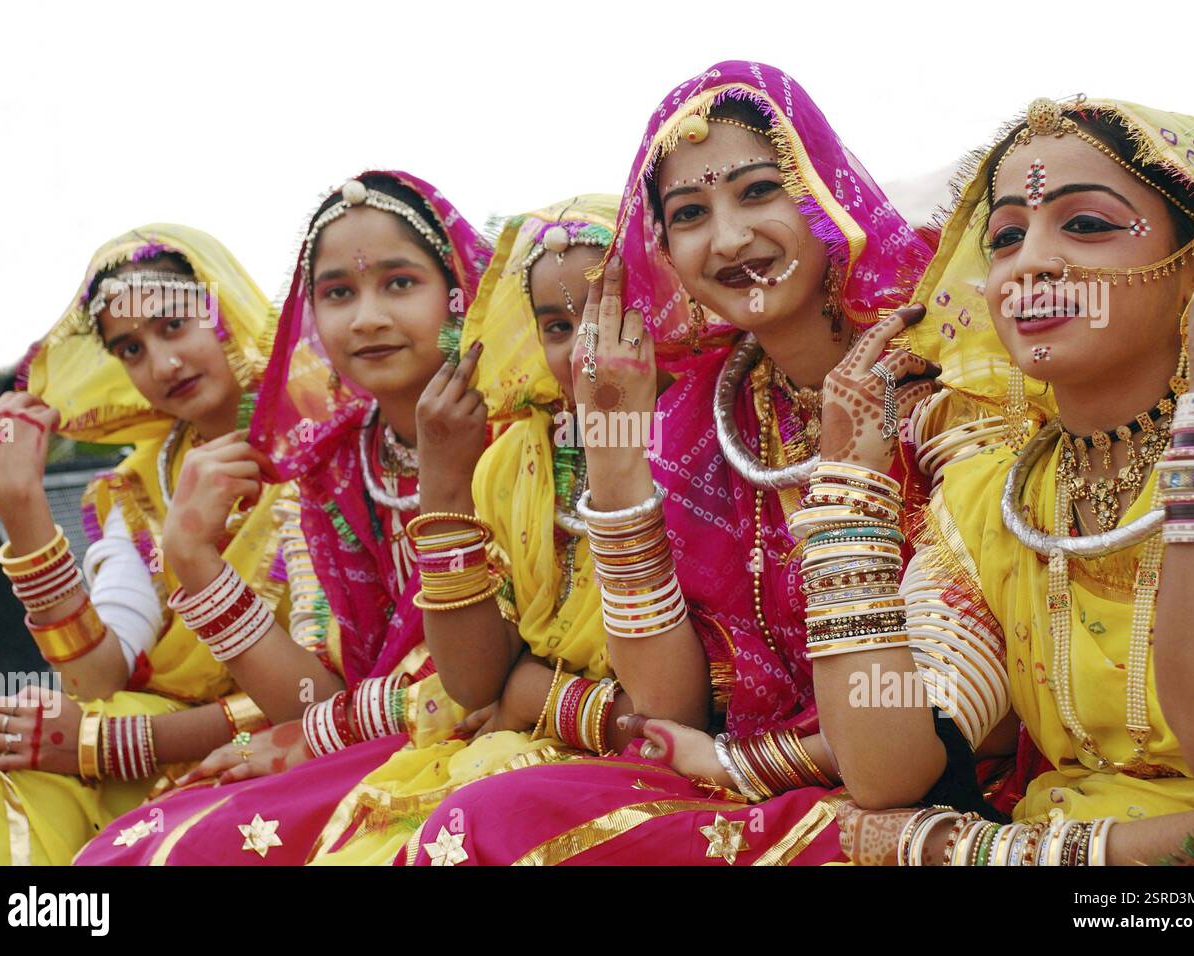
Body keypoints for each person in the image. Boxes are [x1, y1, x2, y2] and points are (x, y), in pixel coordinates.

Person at [396, 63, 1004, 868]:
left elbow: (924, 736)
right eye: (689, 213)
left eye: (758, 192)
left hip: (928, 796)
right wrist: (616, 461)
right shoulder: (698, 418)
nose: (728, 238)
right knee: (480, 820)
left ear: (825, 194)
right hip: (747, 789)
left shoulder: (937, 382)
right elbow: (664, 703)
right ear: (665, 254)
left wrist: (729, 763)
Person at [836, 97, 1194, 865]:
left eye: (1086, 225)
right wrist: (846, 509)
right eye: (1005, 237)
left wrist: (955, 851)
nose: (1028, 263)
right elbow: (884, 766)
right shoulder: (991, 499)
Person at [76, 171, 488, 864]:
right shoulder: (331, 465)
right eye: (337, 293)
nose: (365, 318)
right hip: (352, 736)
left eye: (398, 283)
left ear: (458, 293)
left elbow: (486, 682)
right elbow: (313, 689)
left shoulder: (515, 441)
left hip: (483, 744)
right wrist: (193, 558)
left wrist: (313, 736)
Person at [308, 196, 649, 865]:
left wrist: (529, 692)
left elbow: (665, 714)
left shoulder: (689, 448)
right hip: (503, 745)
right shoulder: (510, 461)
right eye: (555, 325)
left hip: (654, 762)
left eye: (609, 317)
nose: (583, 351)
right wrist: (442, 487)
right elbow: (472, 681)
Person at [0, 225, 295, 865]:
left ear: (223, 308)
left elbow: (333, 688)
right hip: (165, 740)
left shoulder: (320, 447)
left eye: (174, 326)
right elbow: (98, 678)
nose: (161, 364)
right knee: (4, 754)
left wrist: (106, 744)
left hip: (300, 737)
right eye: (132, 349)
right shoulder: (144, 484)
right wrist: (22, 510)